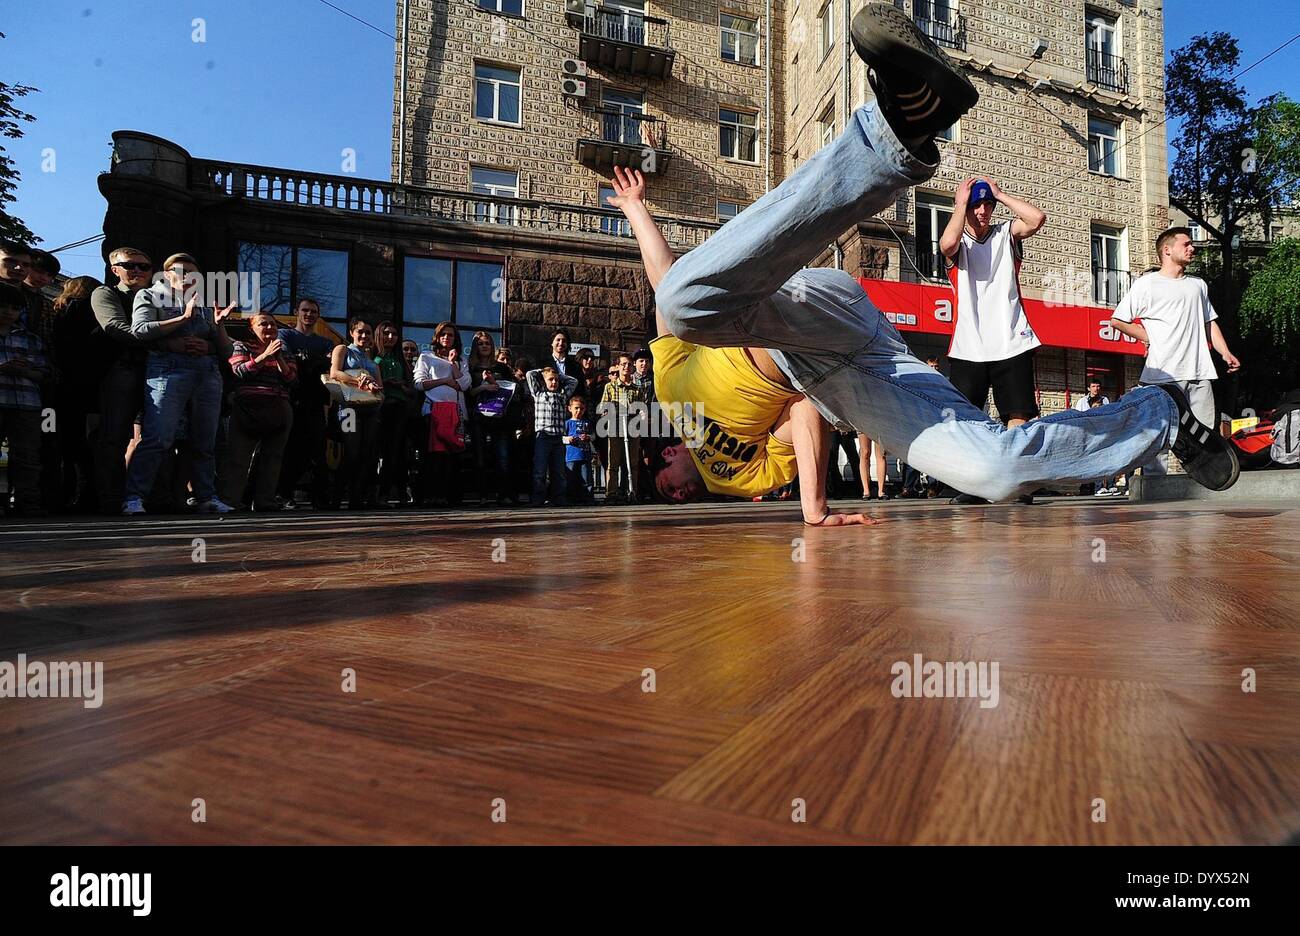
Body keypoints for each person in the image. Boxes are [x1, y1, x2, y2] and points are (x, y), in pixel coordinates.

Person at [604, 3, 1237, 524]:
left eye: (665, 484)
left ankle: (895, 132)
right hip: (843, 380)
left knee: (683, 305)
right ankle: (1160, 415)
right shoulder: (734, 479)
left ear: (665, 454)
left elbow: (669, 283)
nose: (675, 490)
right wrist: (815, 511)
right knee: (993, 473)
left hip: (793, 319)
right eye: (675, 498)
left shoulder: (668, 388)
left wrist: (635, 209)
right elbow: (801, 418)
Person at [938, 174, 1047, 505]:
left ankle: (1015, 483)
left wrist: (1000, 194)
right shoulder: (960, 242)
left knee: (1019, 415)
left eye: (987, 205)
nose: (983, 211)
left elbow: (1037, 218)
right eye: (977, 206)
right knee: (966, 419)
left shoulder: (1005, 234)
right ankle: (971, 486)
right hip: (969, 345)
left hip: (1012, 339)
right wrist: (960, 205)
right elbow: (946, 245)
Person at [1108, 227, 1241, 475]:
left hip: (1200, 373)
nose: (1193, 248)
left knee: (1203, 436)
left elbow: (1209, 322)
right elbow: (1118, 320)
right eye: (1187, 244)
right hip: (1163, 375)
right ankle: (1154, 487)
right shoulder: (1147, 284)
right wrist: (1149, 338)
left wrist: (1225, 352)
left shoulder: (1198, 285)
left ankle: (1200, 484)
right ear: (1167, 250)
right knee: (1158, 433)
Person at [122, 253, 236, 515]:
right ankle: (134, 497)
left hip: (206, 374)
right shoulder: (149, 295)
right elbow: (139, 330)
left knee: (204, 441)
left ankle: (205, 496)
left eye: (193, 274)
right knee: (157, 437)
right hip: (167, 371)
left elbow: (227, 352)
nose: (187, 278)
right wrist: (181, 319)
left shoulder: (206, 302)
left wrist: (216, 329)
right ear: (167, 274)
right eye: (180, 272)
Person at [90, 247, 158, 513]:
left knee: (159, 438)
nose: (138, 271)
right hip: (123, 370)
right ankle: (110, 499)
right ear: (114, 269)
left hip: (159, 371)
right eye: (130, 266)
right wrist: (166, 338)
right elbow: (114, 327)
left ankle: (152, 497)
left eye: (145, 266)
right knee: (114, 437)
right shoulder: (105, 293)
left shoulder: (160, 296)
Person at [220, 311, 298, 511]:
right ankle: (231, 501)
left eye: (273, 324)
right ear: (252, 328)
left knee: (273, 458)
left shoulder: (285, 351)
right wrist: (264, 356)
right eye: (264, 324)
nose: (270, 328)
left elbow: (291, 380)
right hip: (247, 409)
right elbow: (240, 371)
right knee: (238, 457)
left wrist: (278, 358)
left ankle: (265, 501)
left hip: (279, 409)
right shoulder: (242, 346)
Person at [49, 275, 106, 511]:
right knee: (88, 442)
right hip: (92, 385)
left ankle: (64, 494)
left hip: (64, 385)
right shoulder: (95, 311)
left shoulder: (66, 310)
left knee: (63, 442)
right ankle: (88, 493)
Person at [276, 298, 336, 509]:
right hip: (292, 399)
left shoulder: (326, 342)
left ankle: (320, 497)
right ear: (296, 312)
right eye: (305, 310)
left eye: (313, 311)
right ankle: (284, 494)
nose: (309, 314)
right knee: (291, 449)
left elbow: (330, 366)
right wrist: (317, 362)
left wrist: (306, 362)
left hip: (316, 403)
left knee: (317, 450)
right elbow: (285, 358)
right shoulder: (285, 335)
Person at [0, 281, 48, 516]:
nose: (8, 312)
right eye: (3, 306)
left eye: (14, 308)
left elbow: (43, 372)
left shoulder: (30, 339)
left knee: (28, 455)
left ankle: (27, 502)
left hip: (26, 402)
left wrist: (25, 370)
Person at [328, 317, 384, 510]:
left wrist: (375, 388)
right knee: (351, 452)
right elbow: (335, 373)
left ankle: (356, 498)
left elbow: (381, 389)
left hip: (370, 411)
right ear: (352, 333)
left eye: (368, 332)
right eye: (360, 331)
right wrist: (359, 380)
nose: (364, 335)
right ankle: (335, 498)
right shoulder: (342, 349)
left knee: (366, 454)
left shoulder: (372, 362)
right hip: (348, 409)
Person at [414, 322, 470, 506]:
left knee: (452, 456)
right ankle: (430, 496)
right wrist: (445, 380)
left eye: (451, 335)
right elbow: (419, 384)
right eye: (443, 334)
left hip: (455, 413)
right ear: (437, 337)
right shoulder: (426, 357)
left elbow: (464, 385)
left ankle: (449, 496)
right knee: (433, 456)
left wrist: (453, 364)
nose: (447, 338)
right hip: (433, 411)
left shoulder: (461, 360)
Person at [466, 330, 519, 505]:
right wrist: (483, 387)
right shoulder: (470, 367)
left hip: (499, 417)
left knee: (502, 457)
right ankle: (483, 495)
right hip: (478, 417)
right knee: (480, 458)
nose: (484, 346)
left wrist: (493, 383)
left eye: (487, 343)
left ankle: (504, 495)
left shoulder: (501, 367)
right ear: (475, 346)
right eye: (480, 343)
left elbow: (509, 389)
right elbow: (468, 392)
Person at [524, 364, 578, 507]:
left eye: (556, 380)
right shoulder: (538, 394)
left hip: (558, 437)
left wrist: (559, 375)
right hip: (543, 436)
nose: (554, 382)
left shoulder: (562, 396)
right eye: (550, 380)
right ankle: (538, 498)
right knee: (540, 470)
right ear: (544, 381)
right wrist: (542, 372)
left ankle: (559, 498)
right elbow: (529, 374)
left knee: (559, 471)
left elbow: (573, 381)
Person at [373, 320, 414, 506]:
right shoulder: (372, 355)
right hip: (378, 407)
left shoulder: (400, 358)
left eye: (394, 334)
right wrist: (384, 383)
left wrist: (400, 386)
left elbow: (411, 387)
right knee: (373, 451)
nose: (391, 337)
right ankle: (371, 493)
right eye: (387, 333)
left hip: (398, 407)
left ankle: (390, 493)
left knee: (396, 452)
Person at [600, 352, 648, 504]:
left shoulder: (637, 389)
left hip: (632, 428)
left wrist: (642, 414)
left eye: (629, 364)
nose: (626, 367)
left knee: (632, 462)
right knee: (613, 462)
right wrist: (607, 411)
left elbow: (643, 408)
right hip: (615, 428)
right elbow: (603, 407)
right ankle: (611, 494)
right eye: (623, 364)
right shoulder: (610, 387)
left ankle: (631, 491)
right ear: (618, 367)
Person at [1072, 379, 1118, 495]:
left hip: (1104, 431)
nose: (1095, 389)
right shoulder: (1082, 401)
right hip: (1089, 433)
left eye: (1098, 386)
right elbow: (1078, 417)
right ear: (1088, 388)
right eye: (1093, 386)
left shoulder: (1105, 400)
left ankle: (1110, 485)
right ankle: (1097, 487)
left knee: (1109, 459)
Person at [563, 395, 595, 503]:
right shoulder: (567, 423)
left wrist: (588, 437)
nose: (579, 411)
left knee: (587, 478)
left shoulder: (587, 423)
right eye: (576, 408)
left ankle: (588, 498)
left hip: (585, 455)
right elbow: (561, 437)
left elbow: (593, 435)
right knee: (571, 478)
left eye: (581, 408)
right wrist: (568, 439)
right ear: (570, 408)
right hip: (571, 456)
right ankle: (571, 499)